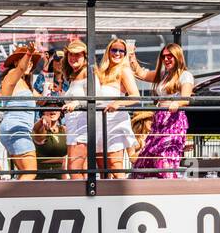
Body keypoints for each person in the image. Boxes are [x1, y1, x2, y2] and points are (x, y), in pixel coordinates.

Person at [131, 42, 194, 178]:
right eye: (164, 56)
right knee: (146, 157)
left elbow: (186, 99)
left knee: (164, 156)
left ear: (178, 57)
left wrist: (176, 103)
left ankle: (169, 187)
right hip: (159, 121)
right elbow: (141, 73)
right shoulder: (163, 74)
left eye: (170, 56)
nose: (166, 59)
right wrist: (131, 55)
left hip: (173, 121)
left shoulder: (185, 75)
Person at [95, 39, 141, 179]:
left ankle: (124, 198)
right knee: (102, 169)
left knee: (116, 166)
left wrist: (118, 103)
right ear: (108, 51)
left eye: (122, 51)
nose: (117, 53)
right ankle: (105, 199)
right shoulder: (102, 71)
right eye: (114, 49)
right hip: (99, 122)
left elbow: (135, 96)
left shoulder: (124, 70)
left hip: (115, 122)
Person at [0, 44, 40, 180]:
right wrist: (29, 53)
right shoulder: (12, 75)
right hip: (15, 128)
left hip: (16, 129)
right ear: (16, 62)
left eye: (31, 61)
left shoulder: (24, 83)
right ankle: (15, 201)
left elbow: (42, 100)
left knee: (24, 172)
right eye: (26, 59)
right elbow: (21, 68)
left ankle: (15, 199)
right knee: (30, 171)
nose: (29, 64)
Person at [59, 39, 90, 180]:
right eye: (71, 54)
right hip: (72, 123)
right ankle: (84, 198)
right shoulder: (72, 76)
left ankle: (83, 199)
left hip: (83, 124)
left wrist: (76, 103)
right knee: (79, 168)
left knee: (74, 168)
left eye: (78, 54)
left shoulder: (88, 72)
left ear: (85, 56)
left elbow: (96, 96)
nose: (73, 58)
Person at [33, 105, 67, 178]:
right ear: (43, 112)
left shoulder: (64, 130)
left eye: (56, 107)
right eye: (49, 107)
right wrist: (43, 119)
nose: (53, 110)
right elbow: (36, 129)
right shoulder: (42, 129)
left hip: (63, 177)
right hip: (43, 177)